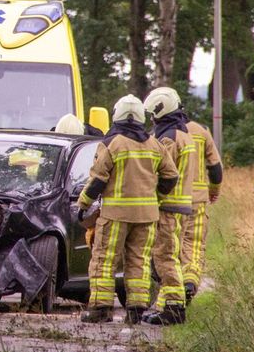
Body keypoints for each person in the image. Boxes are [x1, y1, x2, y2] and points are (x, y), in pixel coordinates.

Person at [77, 95, 179, 324]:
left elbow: (97, 180)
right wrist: (156, 197)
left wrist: (83, 204)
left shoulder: (113, 144)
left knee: (104, 259)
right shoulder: (155, 144)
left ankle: (101, 309)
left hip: (115, 215)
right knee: (139, 261)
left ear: (117, 115)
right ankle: (136, 310)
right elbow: (171, 176)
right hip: (147, 217)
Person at [141, 87, 199, 326]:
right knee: (171, 256)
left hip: (168, 207)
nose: (151, 119)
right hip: (183, 205)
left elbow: (160, 171)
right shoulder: (184, 135)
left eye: (152, 114)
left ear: (160, 110)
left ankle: (174, 307)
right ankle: (167, 305)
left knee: (165, 257)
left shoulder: (168, 138)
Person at [184, 111, 223, 304]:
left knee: (172, 246)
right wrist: (213, 190)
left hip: (171, 201)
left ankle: (171, 292)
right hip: (198, 200)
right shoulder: (202, 132)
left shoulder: (164, 132)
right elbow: (215, 167)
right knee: (194, 244)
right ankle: (190, 281)